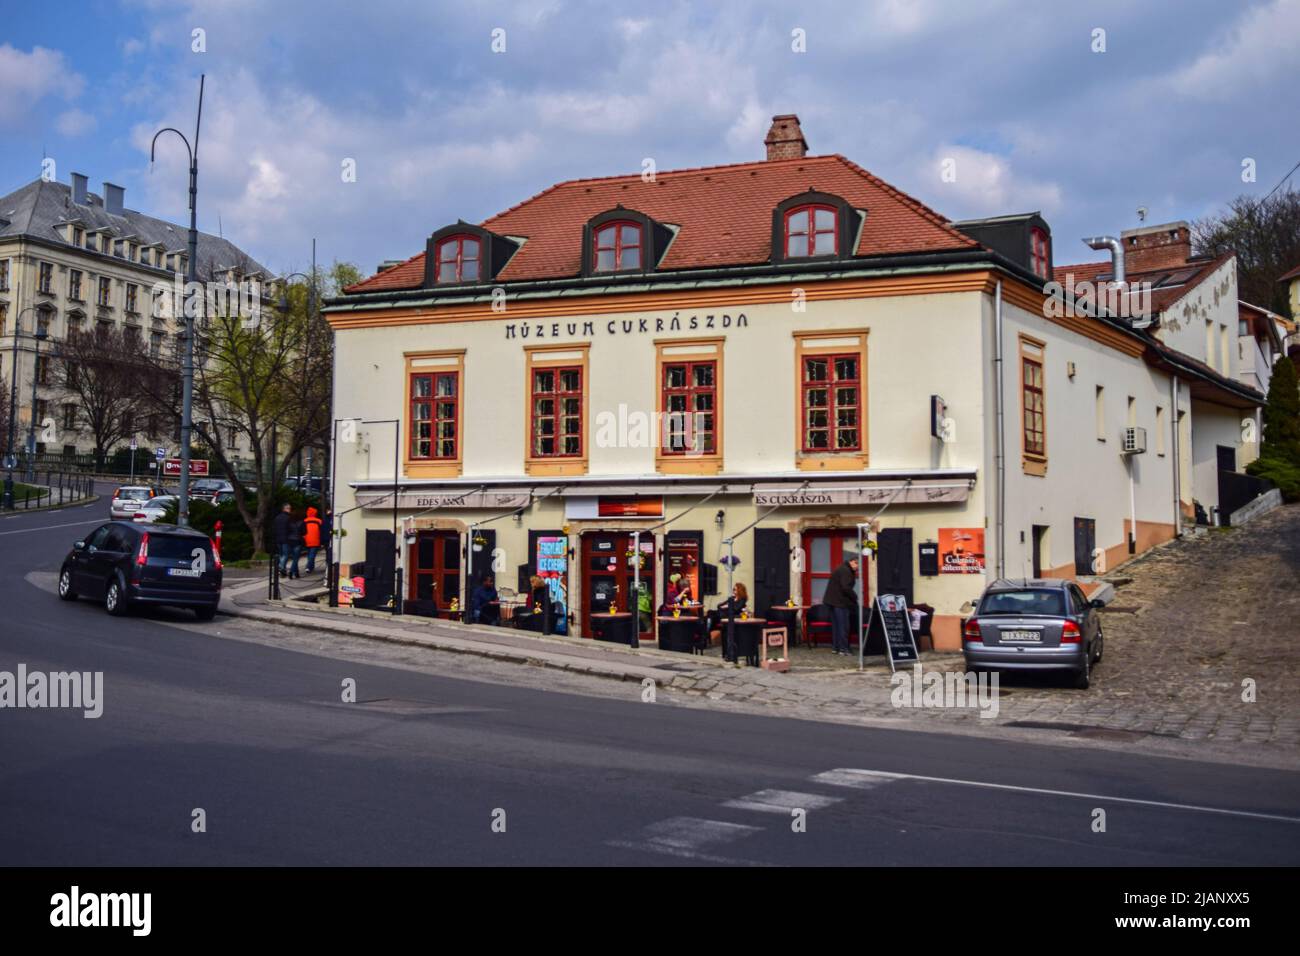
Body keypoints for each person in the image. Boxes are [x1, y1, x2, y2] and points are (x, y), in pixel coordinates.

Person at [822, 552, 860, 655]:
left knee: (837, 626)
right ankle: (844, 649)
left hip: (834, 601)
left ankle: (836, 647)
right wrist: (855, 596)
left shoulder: (843, 568)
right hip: (840, 602)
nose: (857, 568)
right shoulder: (846, 571)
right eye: (857, 565)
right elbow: (846, 587)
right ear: (852, 562)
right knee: (843, 626)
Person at [704, 582, 748, 649]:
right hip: (722, 614)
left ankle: (706, 634)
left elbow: (736, 609)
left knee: (710, 617)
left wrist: (728, 606)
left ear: (739, 590)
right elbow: (719, 606)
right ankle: (706, 633)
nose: (734, 591)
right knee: (709, 613)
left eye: (735, 589)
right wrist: (728, 604)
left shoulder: (742, 599)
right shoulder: (732, 598)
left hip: (729, 616)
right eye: (733, 589)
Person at [271, 503, 294, 576]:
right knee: (286, 555)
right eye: (288, 508)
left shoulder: (277, 517)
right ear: (284, 509)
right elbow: (291, 528)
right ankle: (280, 568)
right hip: (286, 539)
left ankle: (282, 569)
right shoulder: (288, 518)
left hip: (278, 539)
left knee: (281, 555)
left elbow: (274, 528)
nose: (290, 510)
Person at [302, 506, 323, 574]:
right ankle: (308, 567)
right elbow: (322, 531)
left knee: (309, 555)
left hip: (306, 540)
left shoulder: (305, 521)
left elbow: (302, 530)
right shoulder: (319, 521)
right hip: (316, 540)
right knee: (312, 555)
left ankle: (311, 567)